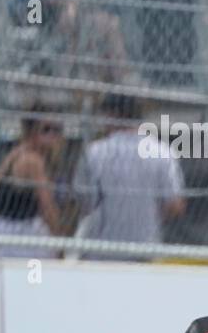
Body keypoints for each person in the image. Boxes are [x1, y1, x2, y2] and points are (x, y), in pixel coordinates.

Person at [73, 95, 185, 255]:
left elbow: (84, 202)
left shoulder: (95, 152)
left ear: (111, 115)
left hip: (102, 248)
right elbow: (175, 205)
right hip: (145, 245)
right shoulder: (161, 151)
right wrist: (147, 214)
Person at [0, 110, 65, 257]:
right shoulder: (32, 160)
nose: (53, 135)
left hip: (3, 228)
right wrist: (60, 241)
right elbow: (47, 206)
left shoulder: (17, 152)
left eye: (57, 129)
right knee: (36, 276)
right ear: (31, 132)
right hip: (18, 232)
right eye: (46, 130)